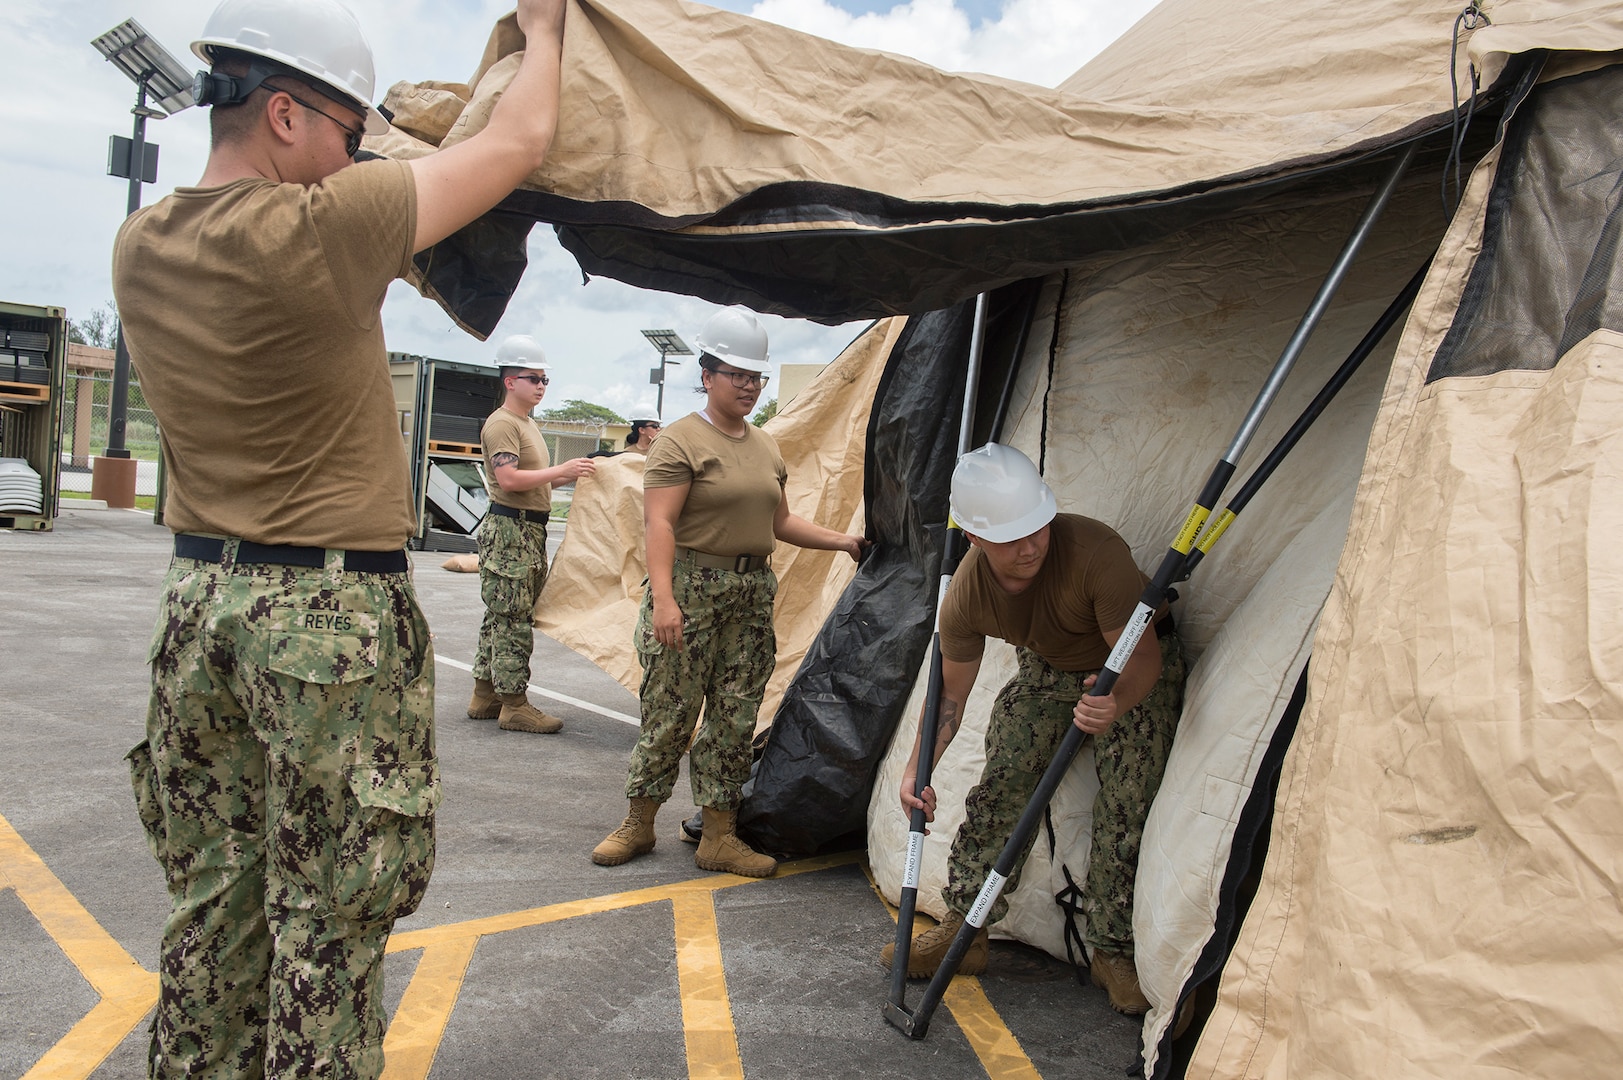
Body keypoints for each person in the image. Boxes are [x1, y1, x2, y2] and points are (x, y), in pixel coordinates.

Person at [111, 0, 569, 1073]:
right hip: (326, 622)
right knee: (330, 922)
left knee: (212, 902)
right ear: (283, 114)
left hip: (198, 609)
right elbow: (519, 141)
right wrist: (545, 33)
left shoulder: (141, 245)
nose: (356, 153)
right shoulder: (325, 224)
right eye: (348, 130)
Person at [879, 443, 1186, 1015]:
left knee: (1130, 797)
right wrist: (916, 770)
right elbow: (949, 695)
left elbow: (1145, 658)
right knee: (1004, 782)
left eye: (1037, 527)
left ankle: (1113, 949)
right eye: (1011, 537)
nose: (1030, 546)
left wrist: (1115, 702)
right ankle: (966, 928)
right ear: (974, 537)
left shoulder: (1096, 552)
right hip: (1050, 666)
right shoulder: (966, 595)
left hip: (1129, 667)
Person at [592, 307, 869, 875]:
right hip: (690, 588)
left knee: (735, 715)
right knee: (670, 712)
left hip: (749, 592)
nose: (748, 385)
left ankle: (719, 836)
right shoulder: (679, 441)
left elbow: (781, 522)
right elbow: (659, 524)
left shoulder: (766, 445)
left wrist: (844, 541)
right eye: (736, 374)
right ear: (707, 374)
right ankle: (639, 823)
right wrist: (664, 600)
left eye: (755, 376)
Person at [466, 336, 596, 733]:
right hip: (511, 530)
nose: (541, 386)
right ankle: (514, 705)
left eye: (544, 380)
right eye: (533, 378)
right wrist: (562, 470)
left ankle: (486, 694)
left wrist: (570, 475)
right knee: (514, 619)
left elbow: (536, 481)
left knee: (501, 614)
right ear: (510, 381)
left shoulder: (526, 423)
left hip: (525, 528)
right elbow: (508, 478)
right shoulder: (503, 424)